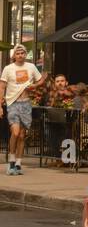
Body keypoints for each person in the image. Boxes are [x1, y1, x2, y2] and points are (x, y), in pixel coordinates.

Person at [1, 45, 42, 176]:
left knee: (23, 135)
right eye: (18, 53)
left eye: (22, 53)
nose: (20, 55)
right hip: (12, 103)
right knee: (16, 132)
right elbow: (2, 87)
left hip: (26, 104)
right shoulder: (8, 69)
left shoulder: (31, 67)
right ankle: (11, 161)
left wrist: (34, 86)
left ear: (25, 55)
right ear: (14, 56)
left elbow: (41, 80)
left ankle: (18, 164)